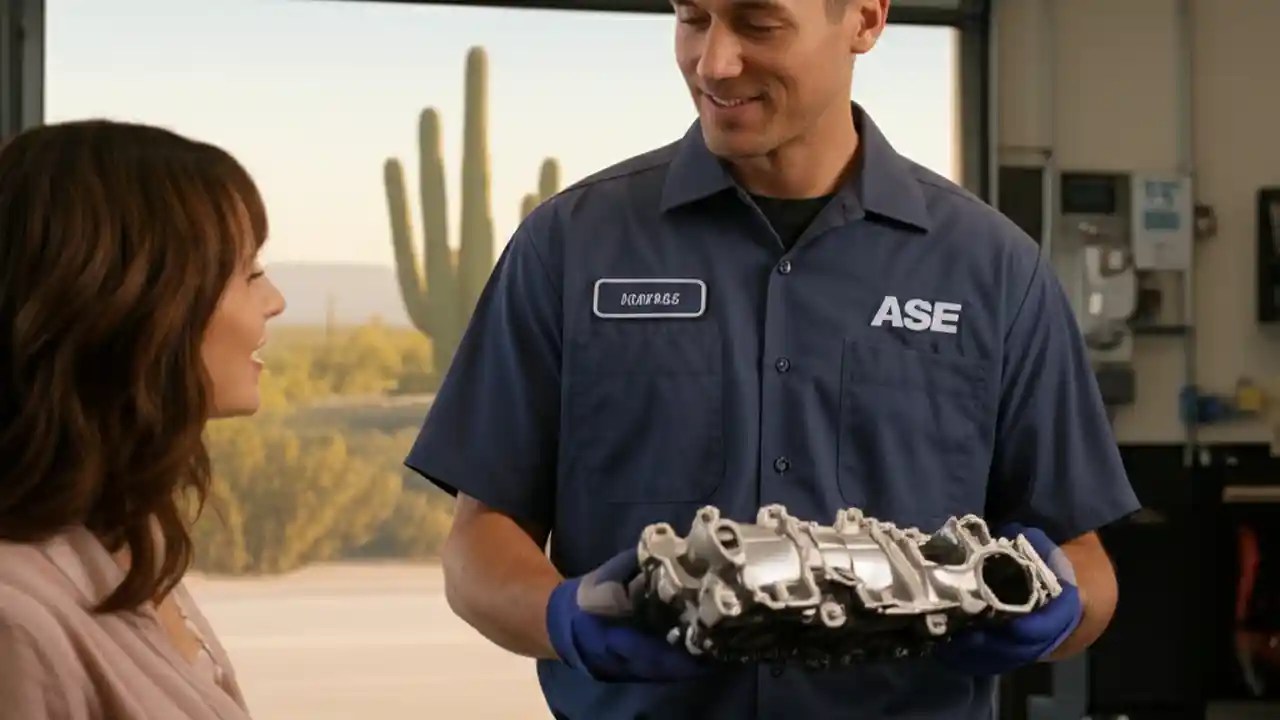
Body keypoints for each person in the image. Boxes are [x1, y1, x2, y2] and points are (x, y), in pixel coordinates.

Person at [405, 0, 1141, 717]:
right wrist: (562, 617)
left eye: (758, 24)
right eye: (692, 18)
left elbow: (1086, 561)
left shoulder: (992, 270)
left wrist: (1057, 609)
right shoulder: (570, 247)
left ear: (866, 19)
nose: (713, 62)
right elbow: (479, 544)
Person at [0, 119, 285, 719]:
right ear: (141, 304)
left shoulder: (130, 535)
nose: (275, 299)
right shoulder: (14, 621)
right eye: (249, 272)